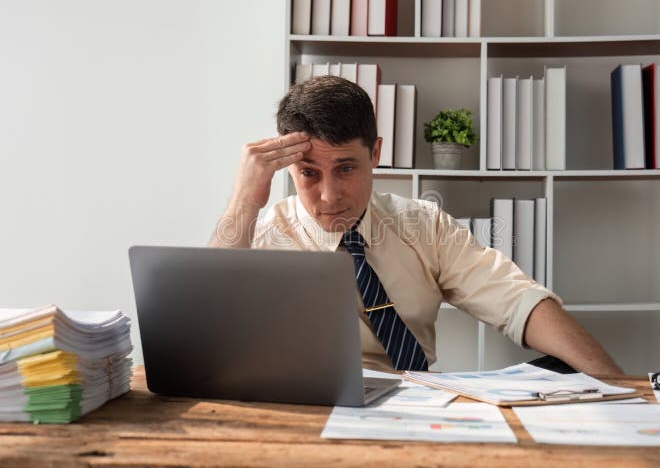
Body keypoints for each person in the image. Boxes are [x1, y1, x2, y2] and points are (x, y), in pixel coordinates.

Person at [210, 76, 622, 375]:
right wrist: (244, 199)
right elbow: (208, 326)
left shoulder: (424, 224)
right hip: (310, 415)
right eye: (309, 173)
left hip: (417, 409)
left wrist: (618, 388)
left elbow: (518, 303)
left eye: (346, 167)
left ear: (375, 153)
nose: (330, 195)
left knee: (562, 372)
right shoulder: (260, 236)